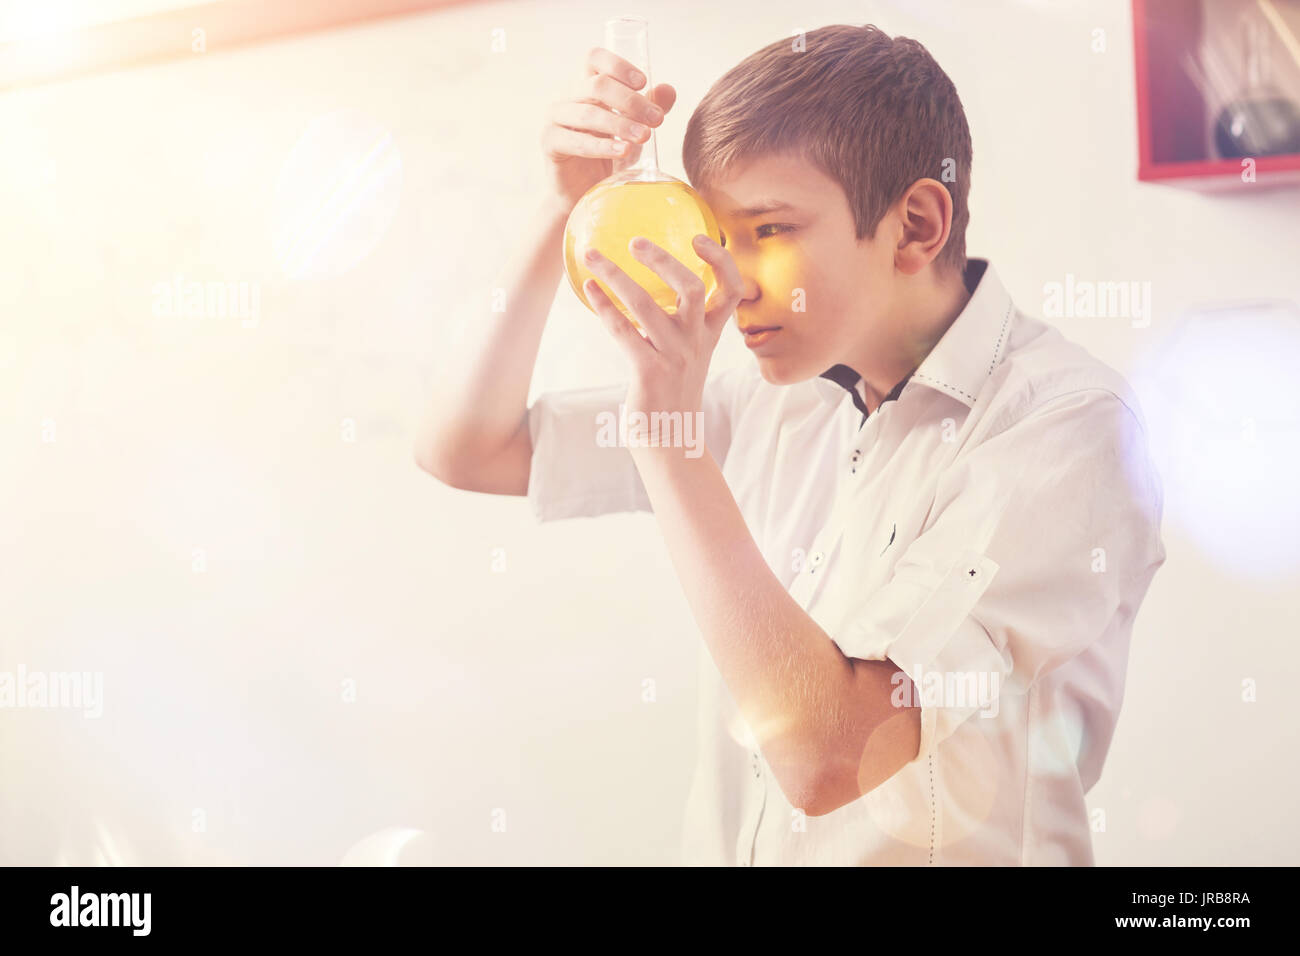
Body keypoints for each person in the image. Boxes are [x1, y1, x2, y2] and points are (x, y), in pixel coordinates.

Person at [414, 24, 1167, 866]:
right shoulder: (775, 402)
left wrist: (668, 438)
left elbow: (828, 755)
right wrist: (566, 206)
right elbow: (465, 449)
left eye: (769, 230)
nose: (728, 281)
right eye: (721, 236)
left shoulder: (1066, 427)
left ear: (915, 224)